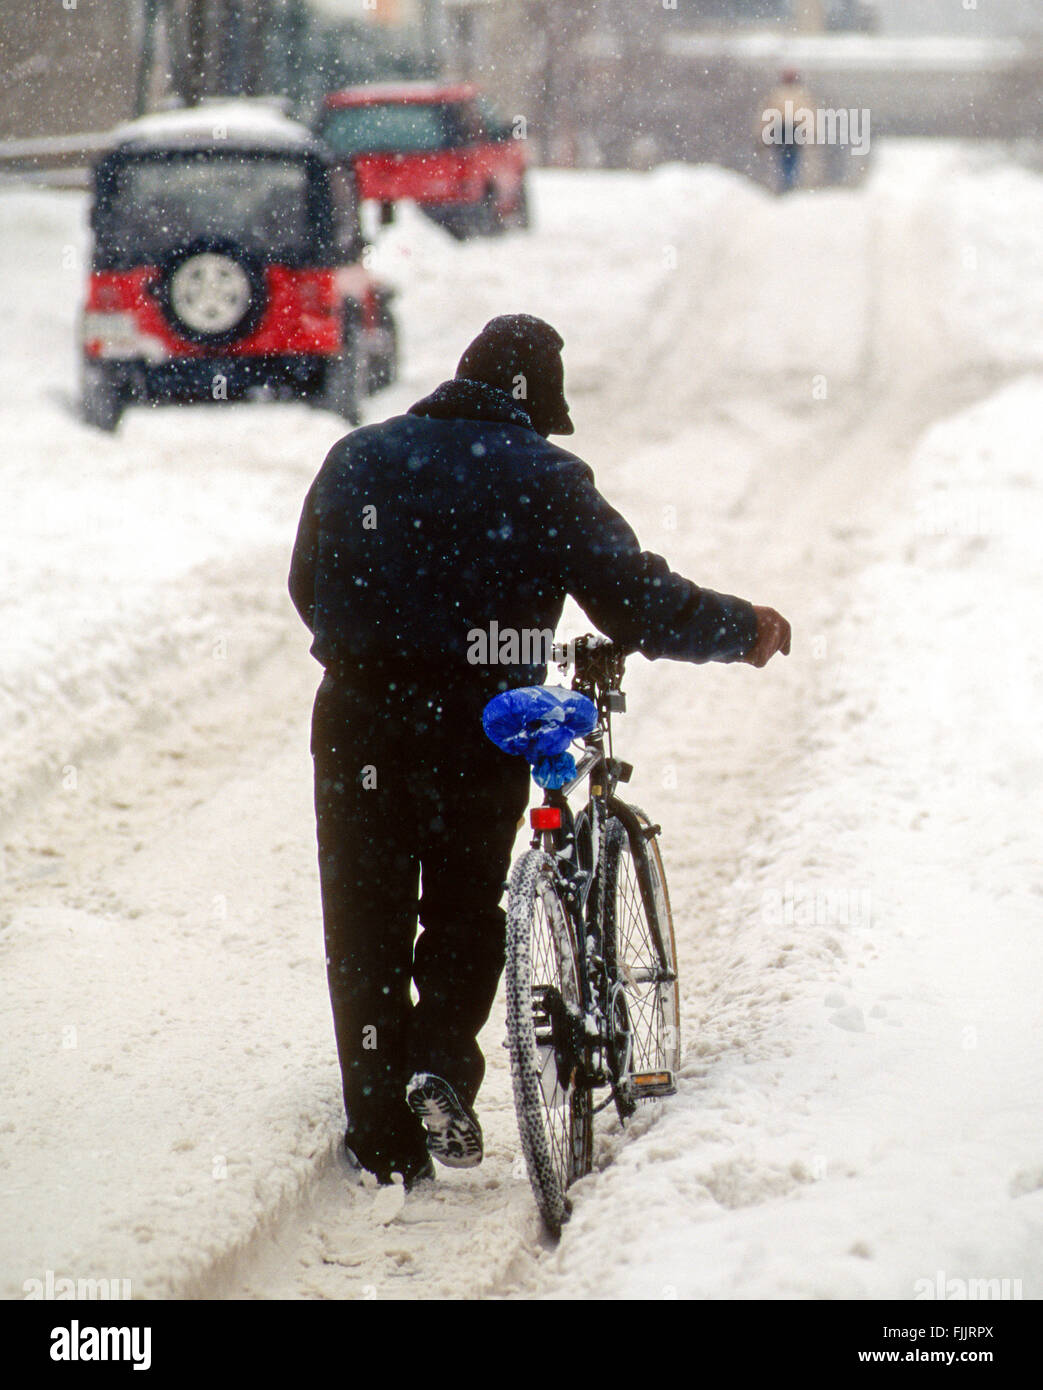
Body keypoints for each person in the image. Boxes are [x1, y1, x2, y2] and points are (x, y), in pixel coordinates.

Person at [288, 315, 791, 1189]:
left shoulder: (357, 457)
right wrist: (740, 629)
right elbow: (636, 602)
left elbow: (307, 583)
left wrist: (375, 647)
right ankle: (438, 1059)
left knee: (362, 920)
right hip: (477, 719)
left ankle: (379, 1135)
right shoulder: (543, 474)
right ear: (537, 398)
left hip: (357, 715)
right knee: (460, 901)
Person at [758, 68, 818, 194]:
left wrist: (762, 133)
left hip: (787, 129)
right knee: (790, 159)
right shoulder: (799, 94)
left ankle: (787, 184)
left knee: (786, 159)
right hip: (787, 129)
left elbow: (767, 115)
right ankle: (789, 183)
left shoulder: (779, 94)